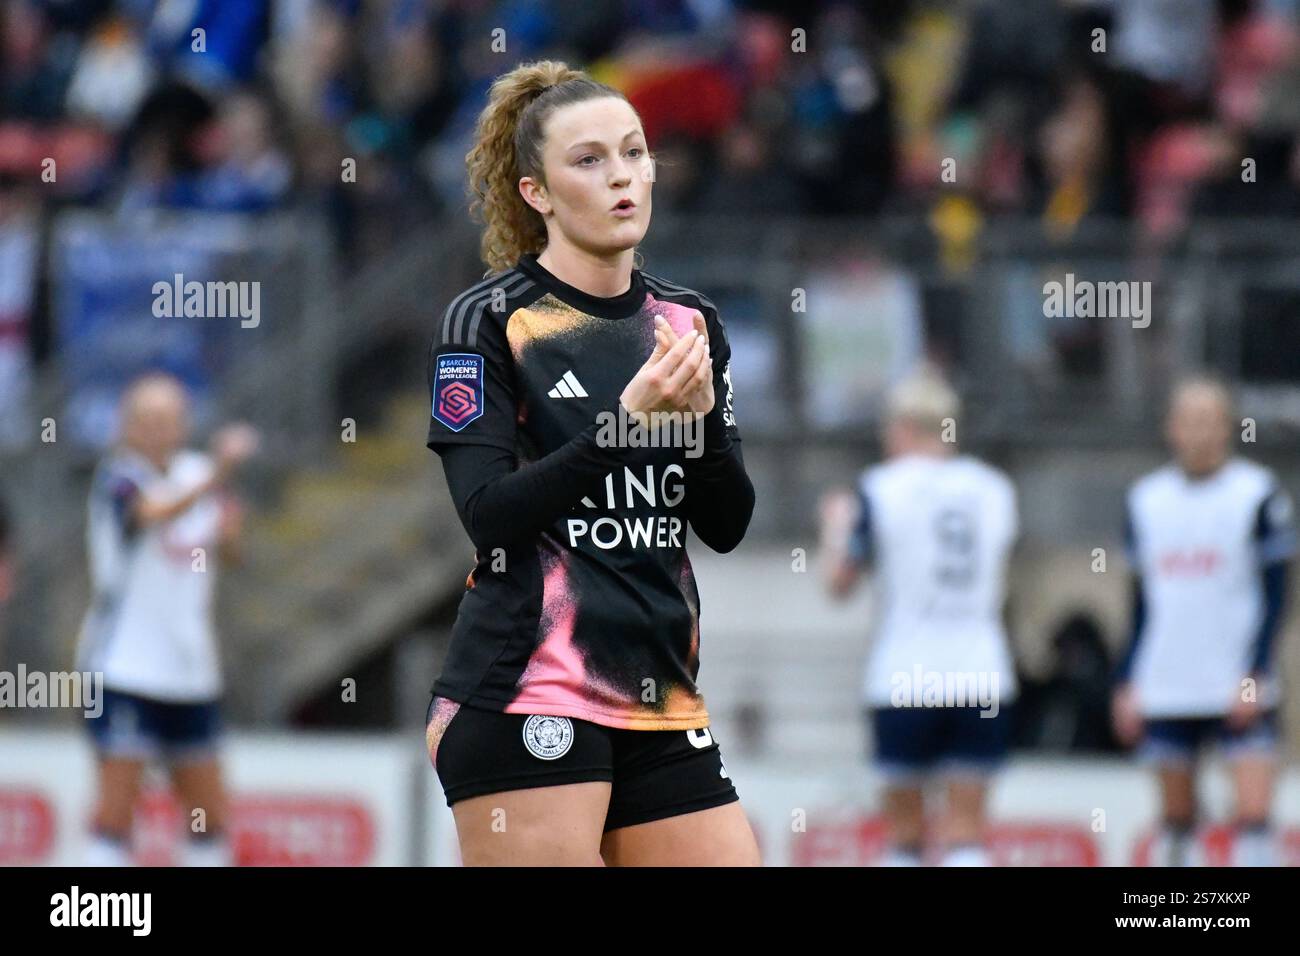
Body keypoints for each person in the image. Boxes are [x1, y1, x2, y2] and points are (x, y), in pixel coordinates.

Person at [422, 61, 758, 866]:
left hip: (662, 695)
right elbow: (489, 518)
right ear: (536, 193)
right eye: (590, 160)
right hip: (526, 687)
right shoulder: (489, 320)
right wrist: (624, 427)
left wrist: (703, 423)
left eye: (635, 153)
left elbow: (728, 523)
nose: (623, 178)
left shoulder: (688, 321)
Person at [820, 370, 1018, 866]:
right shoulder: (994, 489)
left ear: (905, 426)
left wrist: (833, 528)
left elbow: (841, 583)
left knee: (904, 834)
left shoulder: (879, 488)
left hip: (904, 674)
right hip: (981, 673)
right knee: (967, 832)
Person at [76, 372, 257, 866]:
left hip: (189, 669)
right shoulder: (119, 477)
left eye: (167, 419)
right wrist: (219, 474)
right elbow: (151, 513)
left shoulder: (197, 474)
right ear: (126, 425)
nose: (156, 429)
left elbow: (232, 552)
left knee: (207, 814)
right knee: (116, 812)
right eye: (146, 418)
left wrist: (230, 522)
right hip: (125, 668)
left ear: (184, 425)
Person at [1112, 376, 1294, 867]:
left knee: (1254, 817)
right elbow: (1140, 603)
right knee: (1177, 819)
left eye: (1210, 421)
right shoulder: (1146, 499)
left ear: (1228, 428)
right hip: (1168, 680)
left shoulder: (1256, 494)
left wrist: (1255, 674)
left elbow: (1278, 595)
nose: (1199, 433)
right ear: (1171, 428)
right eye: (1189, 421)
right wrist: (1126, 680)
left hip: (1237, 677)